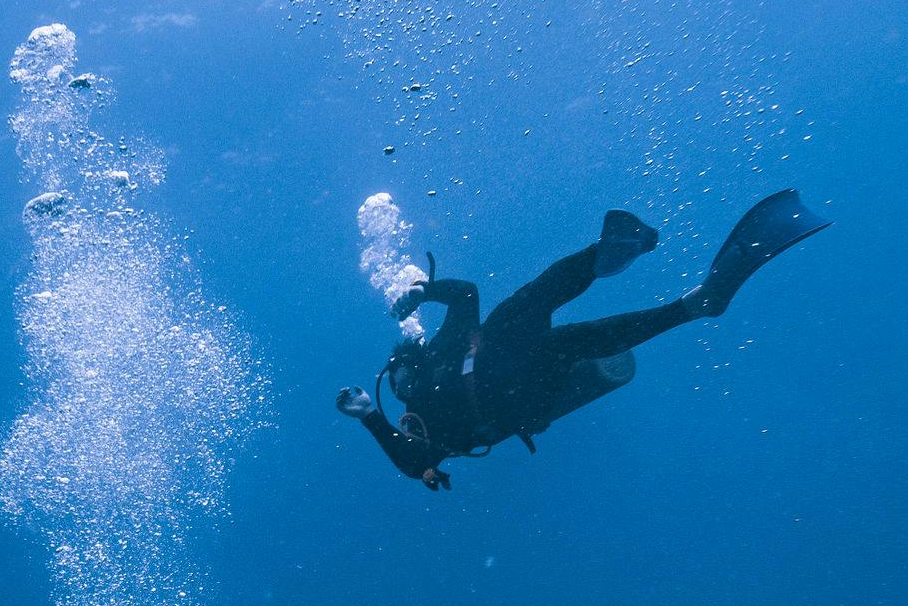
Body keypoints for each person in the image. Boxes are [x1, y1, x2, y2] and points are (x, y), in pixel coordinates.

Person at [337, 191, 827, 488]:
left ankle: (606, 254)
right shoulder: (425, 428)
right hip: (514, 401)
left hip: (506, 355)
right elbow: (413, 462)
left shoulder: (442, 349)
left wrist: (425, 291)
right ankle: (693, 305)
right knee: (562, 342)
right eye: (397, 384)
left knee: (523, 304)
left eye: (402, 371)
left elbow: (466, 294)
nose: (403, 384)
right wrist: (370, 417)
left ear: (416, 357)